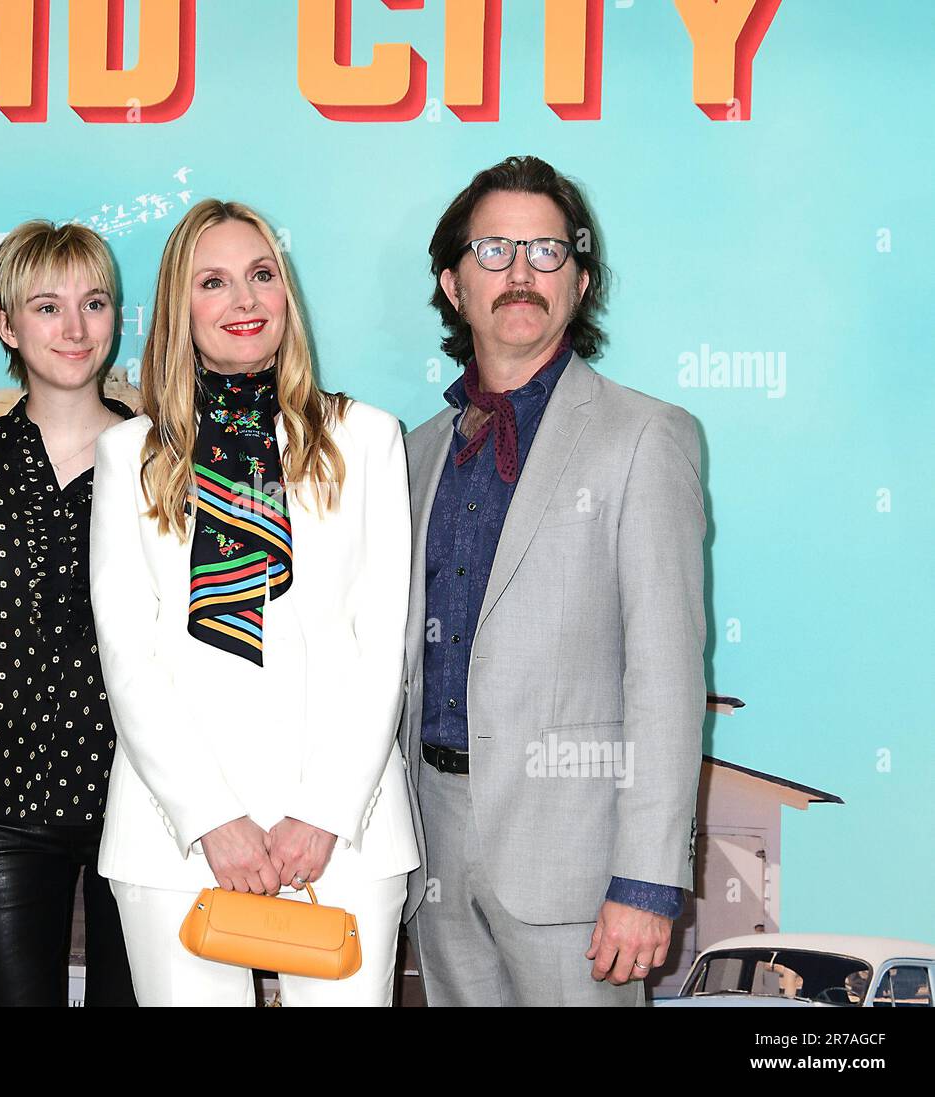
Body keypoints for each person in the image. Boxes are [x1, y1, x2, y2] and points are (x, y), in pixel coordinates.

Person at [89, 199, 419, 1006]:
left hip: (345, 831)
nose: (244, 301)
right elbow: (127, 656)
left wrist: (323, 812)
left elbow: (384, 647)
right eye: (214, 282)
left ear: (286, 295)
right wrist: (211, 817)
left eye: (261, 276)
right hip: (175, 839)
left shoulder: (367, 438)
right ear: (180, 308)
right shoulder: (128, 455)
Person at [401, 155, 707, 1006]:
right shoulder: (415, 451)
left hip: (577, 866)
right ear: (452, 284)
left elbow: (667, 676)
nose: (522, 272)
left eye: (546, 250)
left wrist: (646, 879)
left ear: (580, 280)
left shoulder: (646, 437)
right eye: (494, 250)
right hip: (434, 844)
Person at [0, 221, 136, 1006]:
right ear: (8, 325)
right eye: (47, 307)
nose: (76, 328)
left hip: (142, 800)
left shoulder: (160, 459)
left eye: (94, 302)